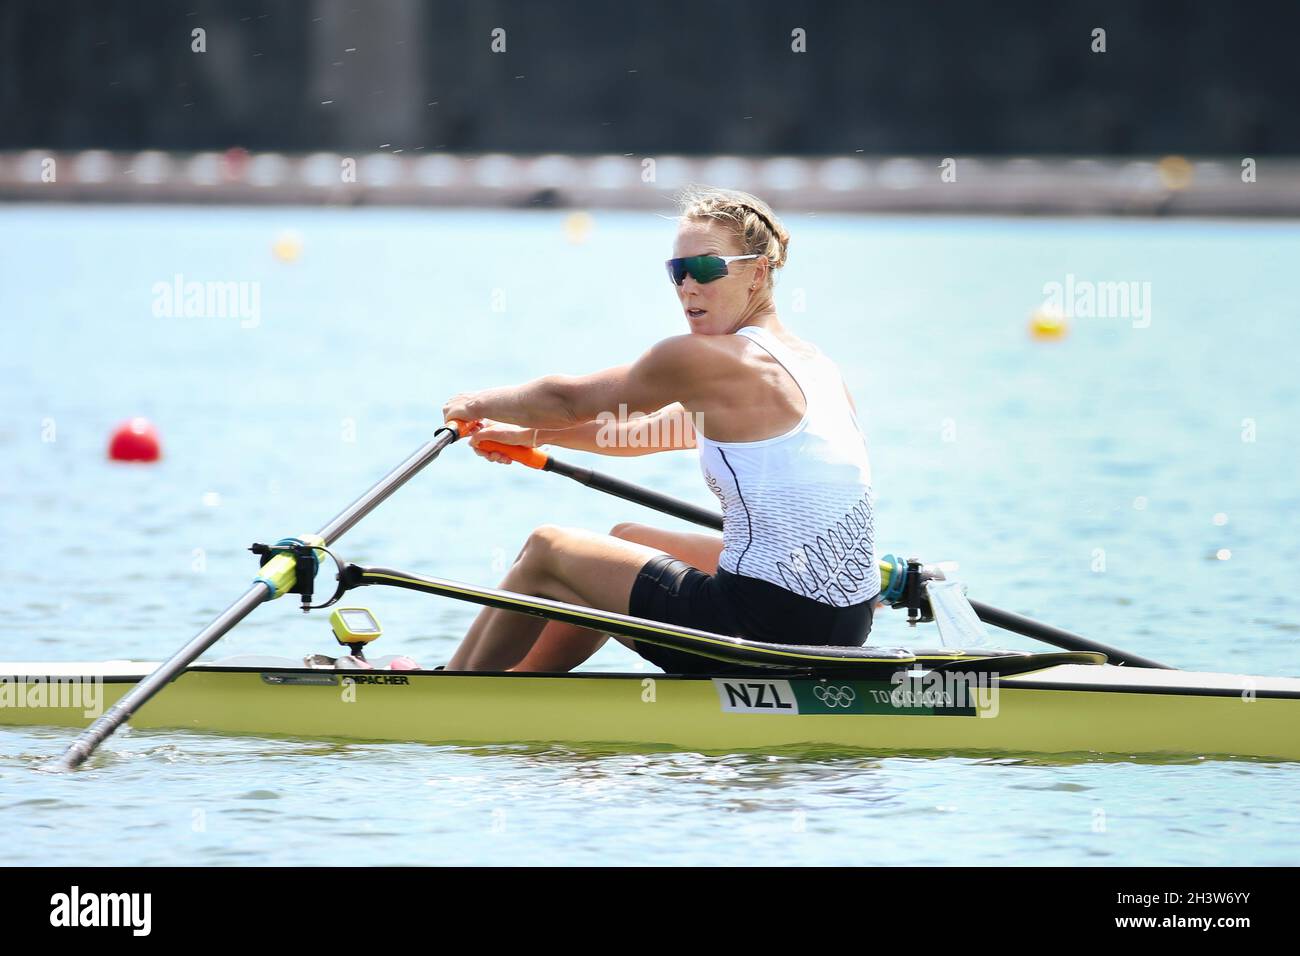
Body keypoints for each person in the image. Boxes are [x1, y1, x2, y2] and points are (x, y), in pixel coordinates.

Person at [441, 186, 879, 673]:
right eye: (678, 271)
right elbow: (642, 431)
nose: (688, 286)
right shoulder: (815, 364)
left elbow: (568, 400)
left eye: (708, 268)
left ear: (757, 273)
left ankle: (454, 688)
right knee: (626, 538)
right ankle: (526, 682)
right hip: (845, 621)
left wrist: (473, 402)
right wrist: (537, 436)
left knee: (547, 548)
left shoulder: (704, 359)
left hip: (763, 628)